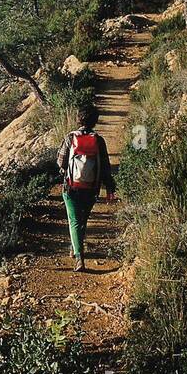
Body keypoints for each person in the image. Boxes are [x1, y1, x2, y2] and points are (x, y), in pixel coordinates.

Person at [56, 104, 116, 271]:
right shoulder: (99, 140)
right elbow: (105, 167)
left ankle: (79, 258)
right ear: (95, 121)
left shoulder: (70, 138)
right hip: (91, 188)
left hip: (71, 187)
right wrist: (110, 187)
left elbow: (60, 162)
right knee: (81, 221)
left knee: (74, 221)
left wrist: (65, 171)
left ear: (78, 119)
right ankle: (75, 247)